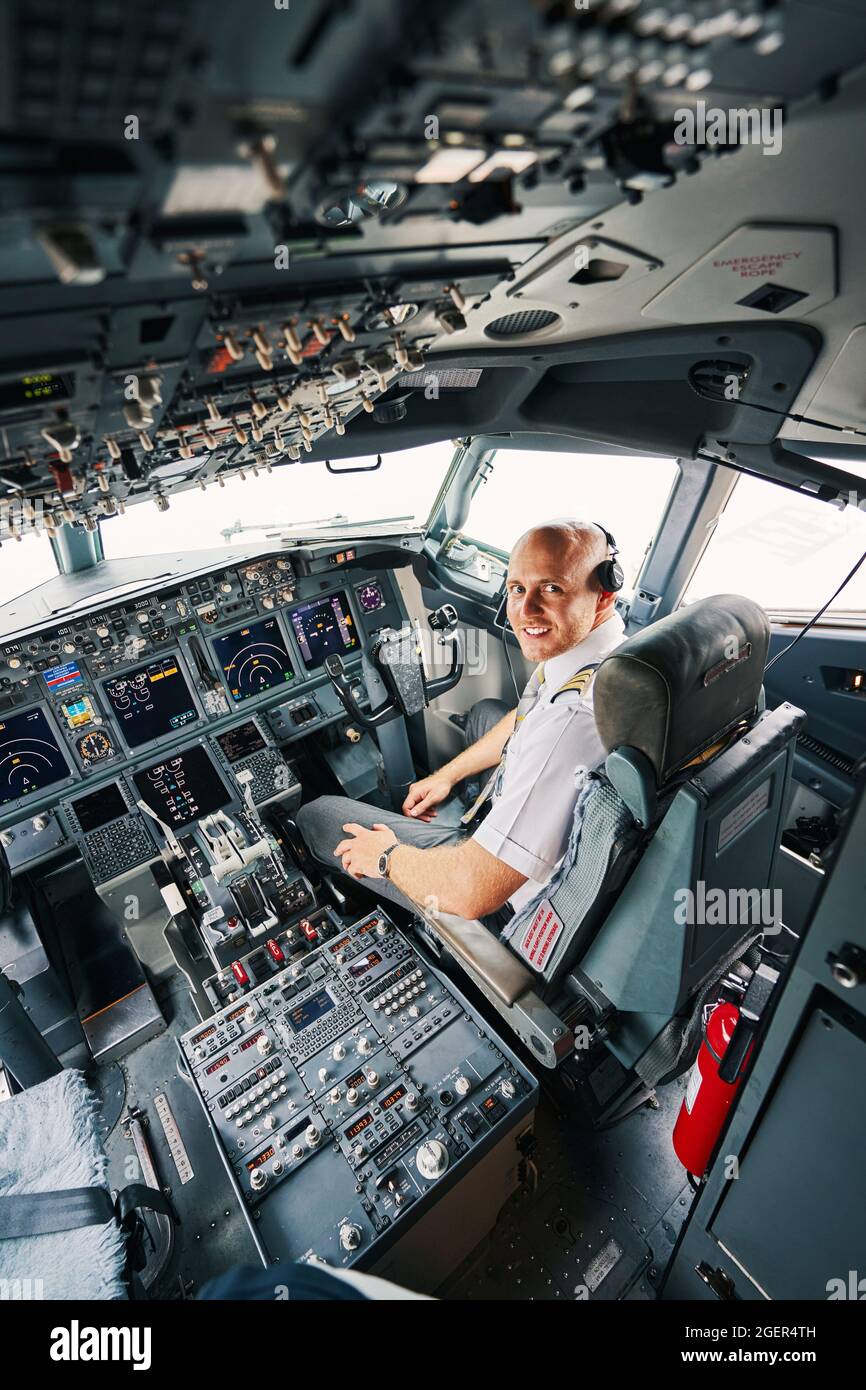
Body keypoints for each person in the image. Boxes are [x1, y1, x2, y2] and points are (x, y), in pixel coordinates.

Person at [296, 520, 625, 926]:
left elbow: (471, 891)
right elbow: (525, 719)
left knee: (318, 815)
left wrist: (384, 857)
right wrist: (447, 776)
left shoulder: (570, 723)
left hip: (502, 898)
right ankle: (470, 806)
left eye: (552, 588)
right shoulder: (605, 658)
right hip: (553, 840)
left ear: (605, 593)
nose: (526, 611)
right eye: (518, 589)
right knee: (488, 710)